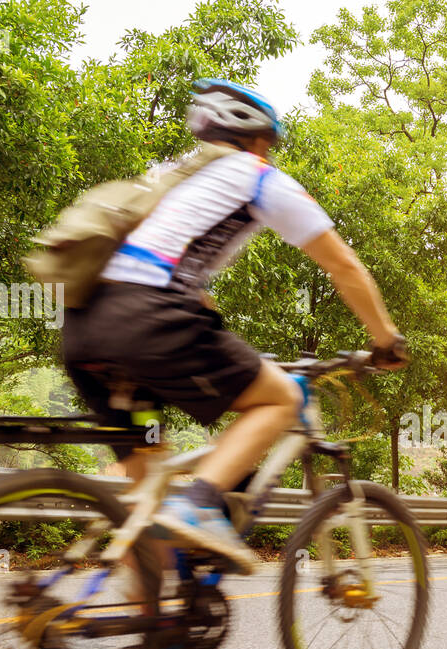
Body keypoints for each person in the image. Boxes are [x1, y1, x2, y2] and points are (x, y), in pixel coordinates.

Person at [62, 79, 408, 571]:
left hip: (85, 331)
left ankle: (154, 640)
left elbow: (172, 275)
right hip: (149, 321)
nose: (269, 152)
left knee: (145, 512)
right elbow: (344, 266)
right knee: (282, 396)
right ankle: (201, 504)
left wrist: (227, 343)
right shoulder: (259, 176)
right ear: (254, 138)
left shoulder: (166, 178)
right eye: (269, 142)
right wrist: (385, 340)